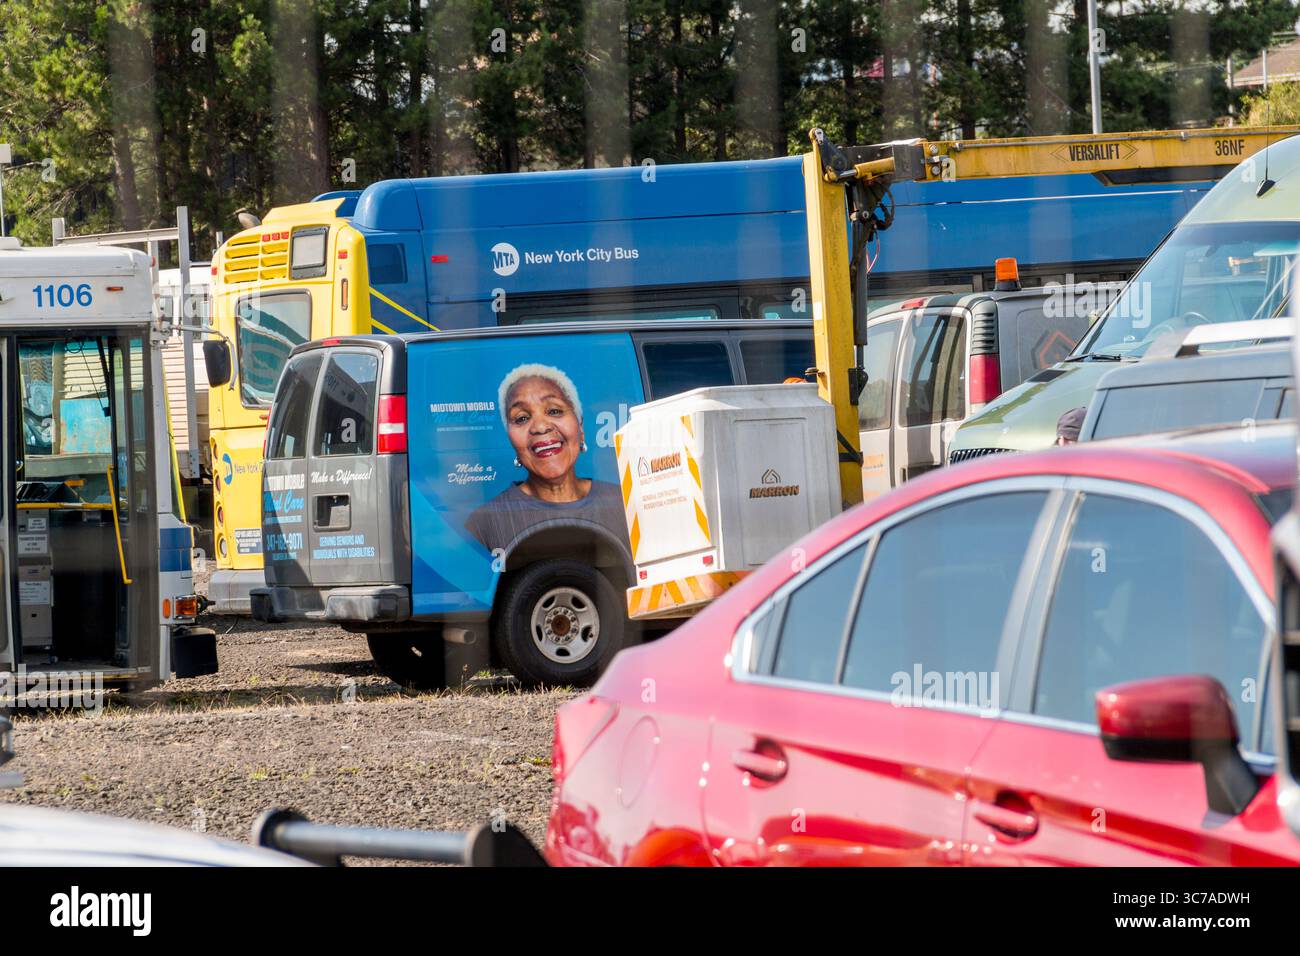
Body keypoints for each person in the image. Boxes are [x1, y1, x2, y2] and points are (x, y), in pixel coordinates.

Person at [466, 363, 628, 555]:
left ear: (580, 427)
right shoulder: (485, 524)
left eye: (554, 411)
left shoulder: (625, 504)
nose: (540, 427)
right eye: (522, 418)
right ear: (510, 438)